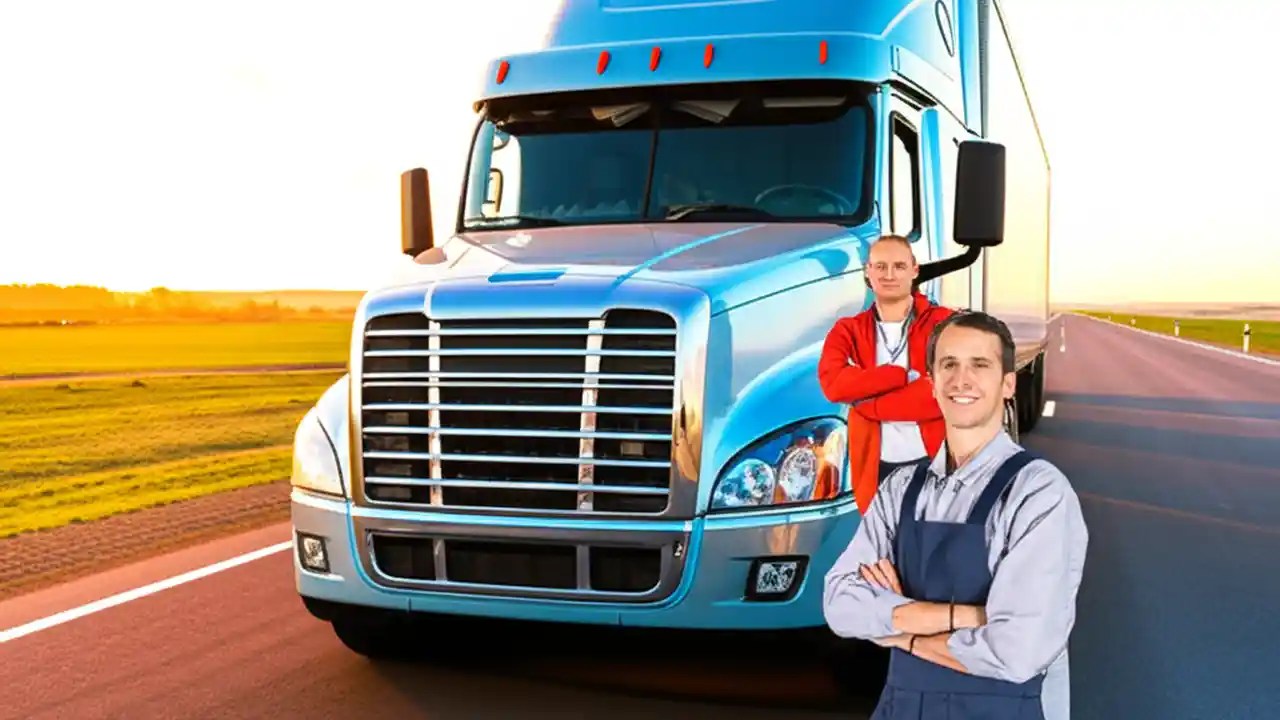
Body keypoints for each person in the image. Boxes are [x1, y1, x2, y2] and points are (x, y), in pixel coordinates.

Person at [821, 311, 1089, 720]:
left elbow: (1016, 650)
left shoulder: (1038, 493)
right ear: (931, 383)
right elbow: (840, 605)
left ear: (1008, 384)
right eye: (949, 365)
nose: (961, 380)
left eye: (979, 365)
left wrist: (900, 632)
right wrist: (968, 616)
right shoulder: (898, 490)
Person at [817, 234, 955, 514]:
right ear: (867, 272)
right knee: (883, 540)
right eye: (880, 267)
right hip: (875, 467)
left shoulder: (944, 323)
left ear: (914, 270)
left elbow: (944, 392)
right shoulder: (847, 330)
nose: (889, 275)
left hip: (935, 461)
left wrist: (865, 403)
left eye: (899, 266)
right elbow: (834, 385)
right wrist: (900, 377)